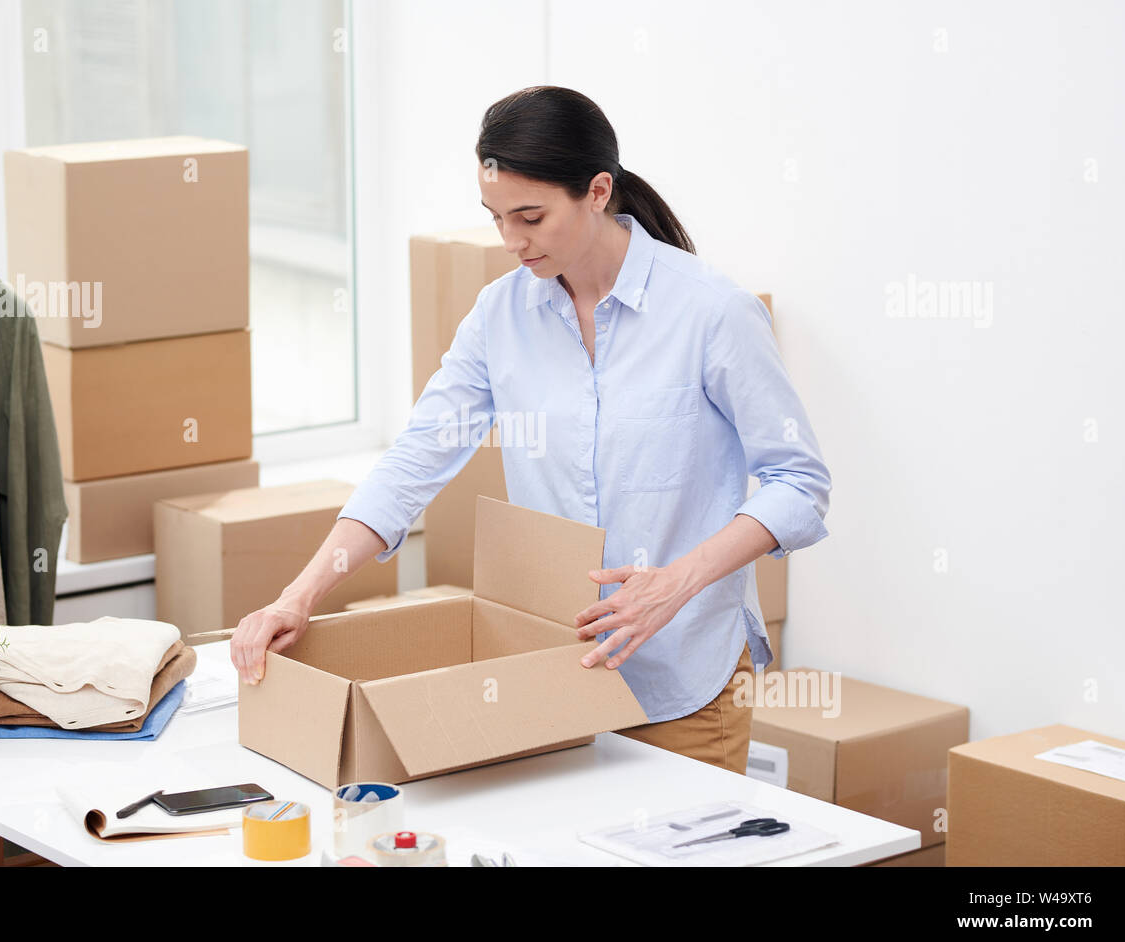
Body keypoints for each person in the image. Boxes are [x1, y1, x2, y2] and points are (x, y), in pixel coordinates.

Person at [231, 86, 831, 774]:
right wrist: (298, 596)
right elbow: (414, 461)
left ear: (598, 190)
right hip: (553, 678)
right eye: (495, 217)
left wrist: (674, 583)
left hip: (684, 684)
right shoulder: (500, 315)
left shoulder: (711, 312)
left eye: (531, 216)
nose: (511, 241)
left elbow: (800, 486)